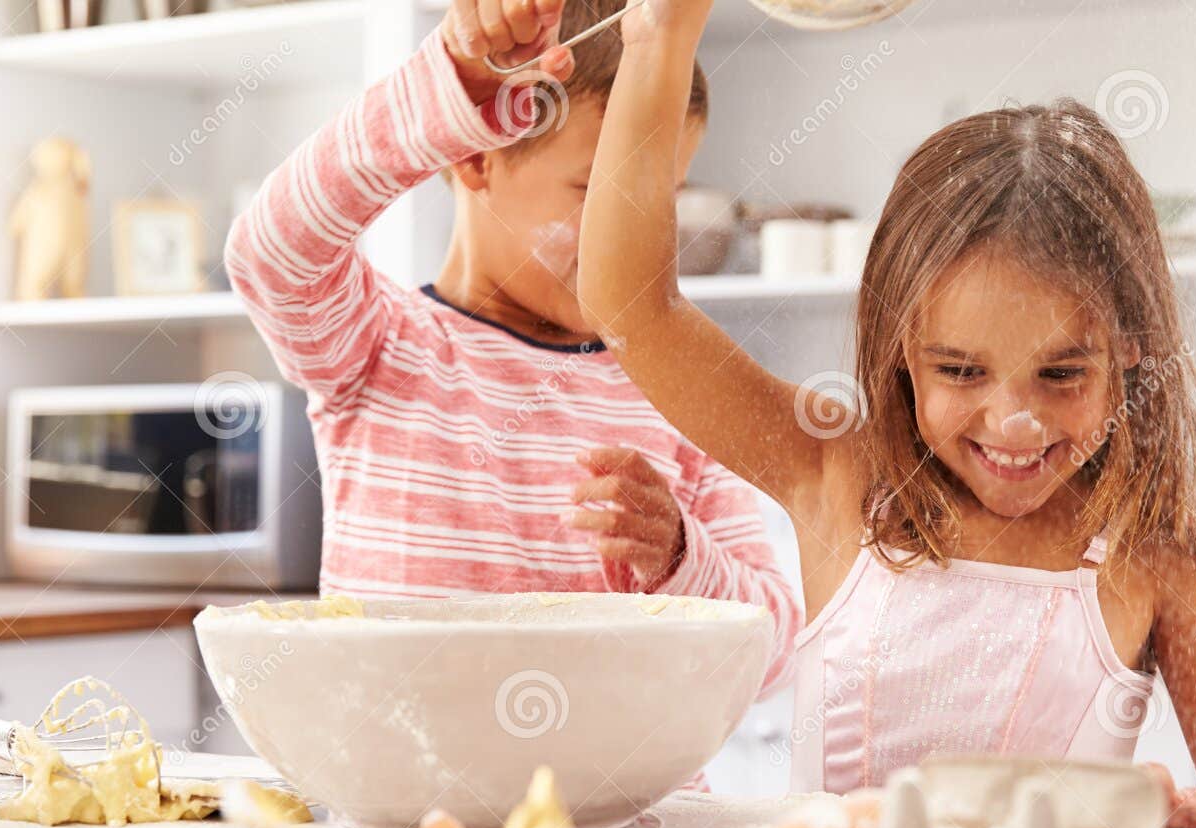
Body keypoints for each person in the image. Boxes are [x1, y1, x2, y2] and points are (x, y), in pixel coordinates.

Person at [577, 0, 1196, 828]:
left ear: (1131, 349)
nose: (1015, 422)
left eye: (1062, 373)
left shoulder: (1154, 556)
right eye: (961, 371)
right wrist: (661, 36)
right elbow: (629, 302)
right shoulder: (837, 472)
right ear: (901, 347)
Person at [225, 0, 799, 696]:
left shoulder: (681, 386)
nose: (637, 225)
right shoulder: (379, 345)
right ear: (476, 155)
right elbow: (272, 249)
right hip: (403, 767)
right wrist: (451, 88)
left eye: (662, 193)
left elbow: (774, 655)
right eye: (596, 189)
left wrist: (681, 556)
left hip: (615, 774)